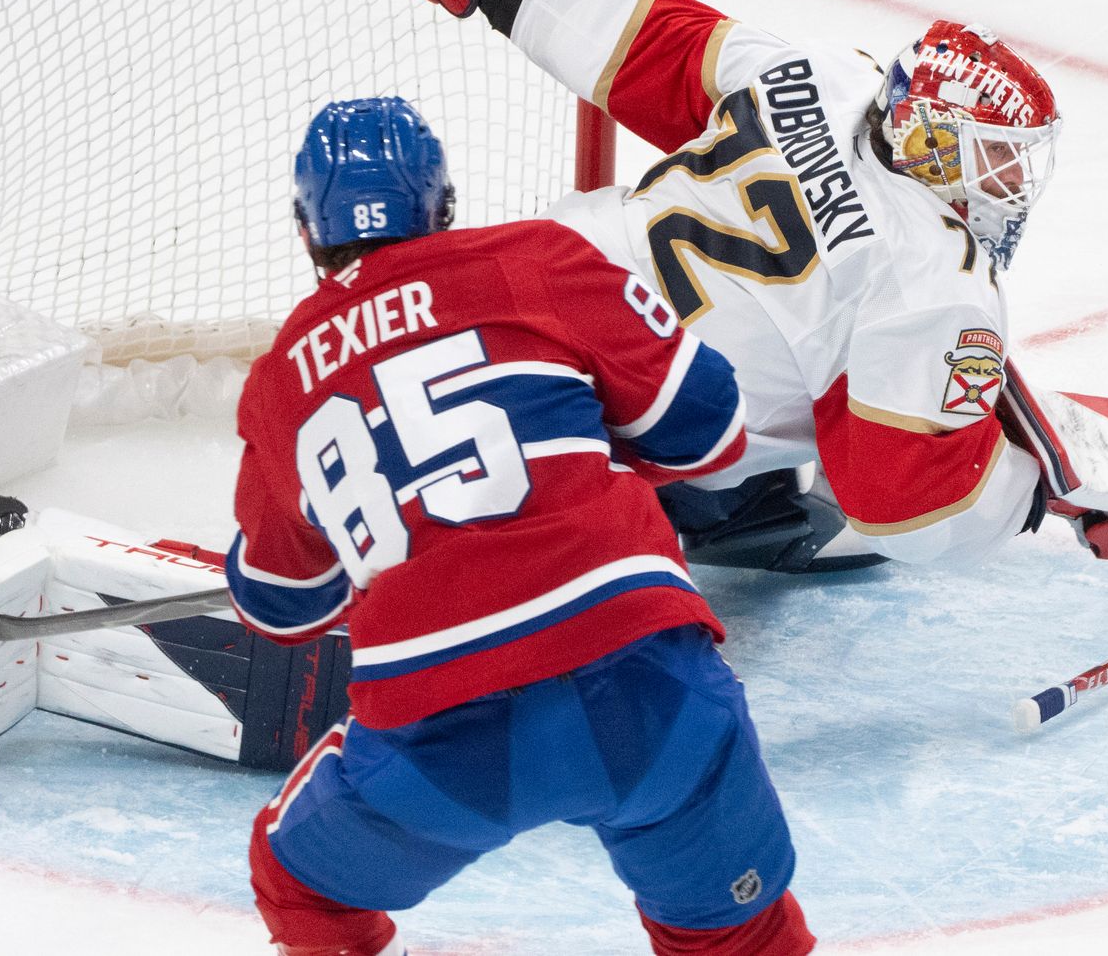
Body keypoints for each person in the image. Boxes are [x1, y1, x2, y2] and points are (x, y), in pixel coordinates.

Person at [0, 0, 1108, 778]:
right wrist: (1035, 496)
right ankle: (98, 586)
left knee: (766, 500)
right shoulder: (939, 283)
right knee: (490, 638)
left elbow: (620, 32)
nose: (1005, 194)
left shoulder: (817, 75)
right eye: (997, 166)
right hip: (598, 423)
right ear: (947, 148)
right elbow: (907, 500)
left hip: (515, 284)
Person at [235, 97, 810, 954]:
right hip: (647, 681)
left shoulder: (281, 378)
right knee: (738, 934)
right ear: (444, 206)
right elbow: (711, 427)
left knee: (300, 888)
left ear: (305, 228)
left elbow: (282, 608)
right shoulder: (536, 258)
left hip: (441, 737)